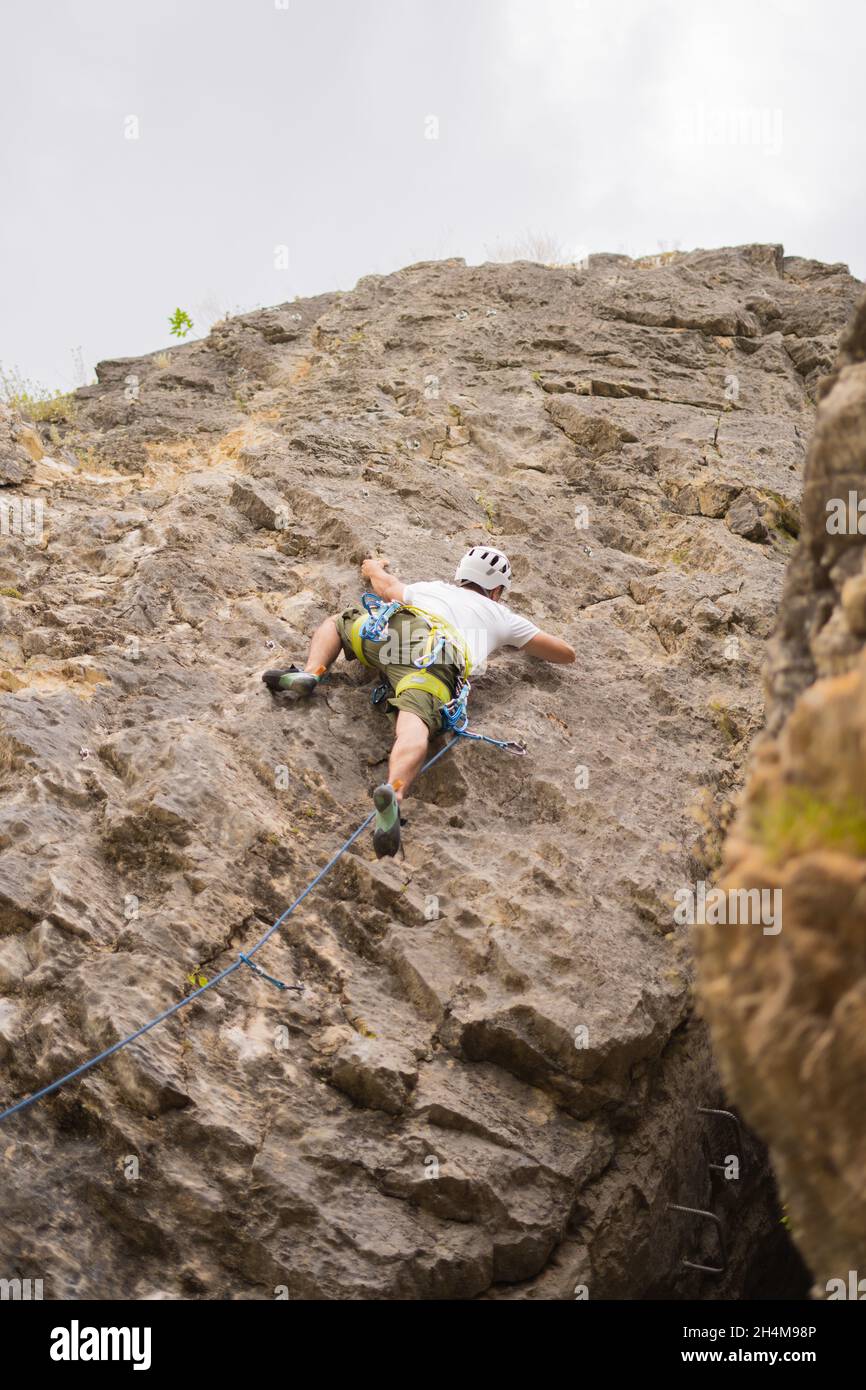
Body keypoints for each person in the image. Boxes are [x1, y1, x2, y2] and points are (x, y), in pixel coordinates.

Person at [262, 547, 575, 857]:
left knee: (340, 622)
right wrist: (515, 639)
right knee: (414, 727)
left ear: (462, 575)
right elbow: (564, 653)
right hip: (435, 661)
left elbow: (384, 585)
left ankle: (311, 673)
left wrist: (373, 566)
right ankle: (394, 793)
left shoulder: (432, 589)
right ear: (496, 591)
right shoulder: (502, 616)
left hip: (395, 633)